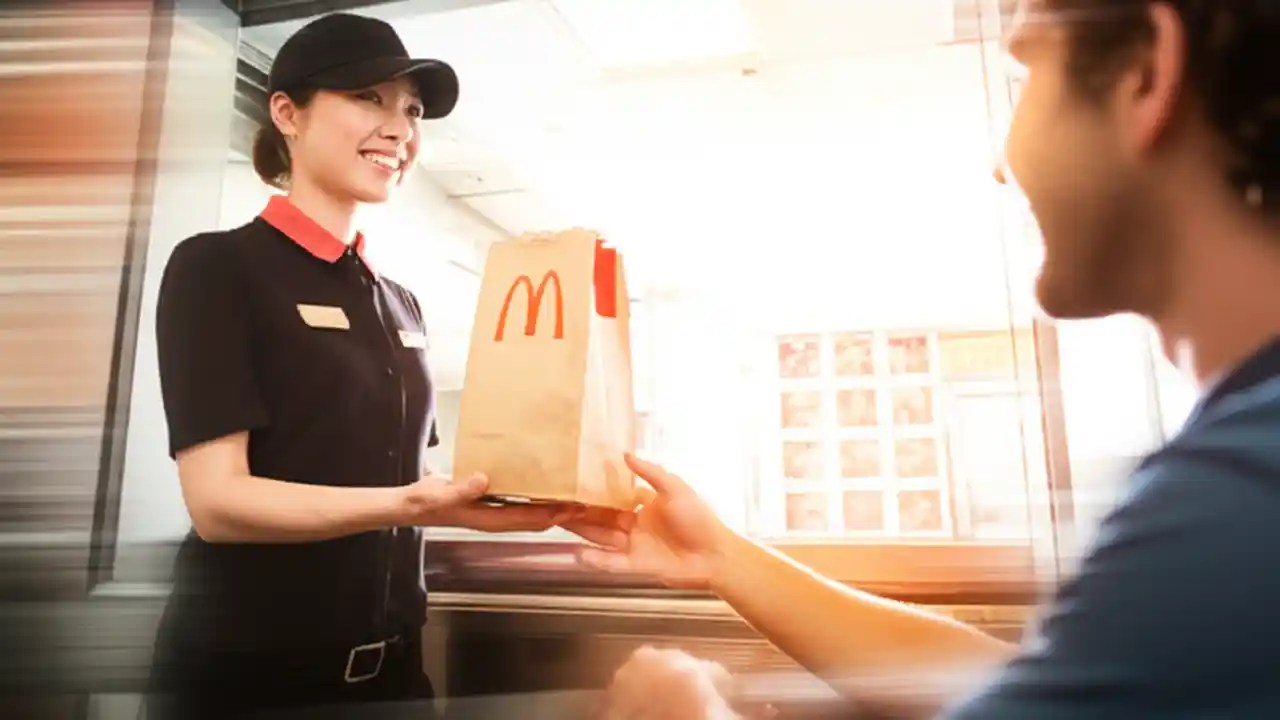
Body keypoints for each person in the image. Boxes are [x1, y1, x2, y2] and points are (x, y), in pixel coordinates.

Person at [582, 1, 1280, 718]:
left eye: (1027, 76)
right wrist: (723, 556)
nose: (1003, 164)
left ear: (1144, 74)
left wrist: (679, 712)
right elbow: (1039, 688)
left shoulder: (1238, 497)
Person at [144, 13, 598, 719]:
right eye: (369, 98)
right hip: (251, 678)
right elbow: (218, 504)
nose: (400, 129)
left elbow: (409, 484)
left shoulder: (401, 302)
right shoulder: (218, 268)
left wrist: (512, 503)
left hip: (396, 673)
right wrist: (409, 504)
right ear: (287, 113)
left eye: (411, 110)